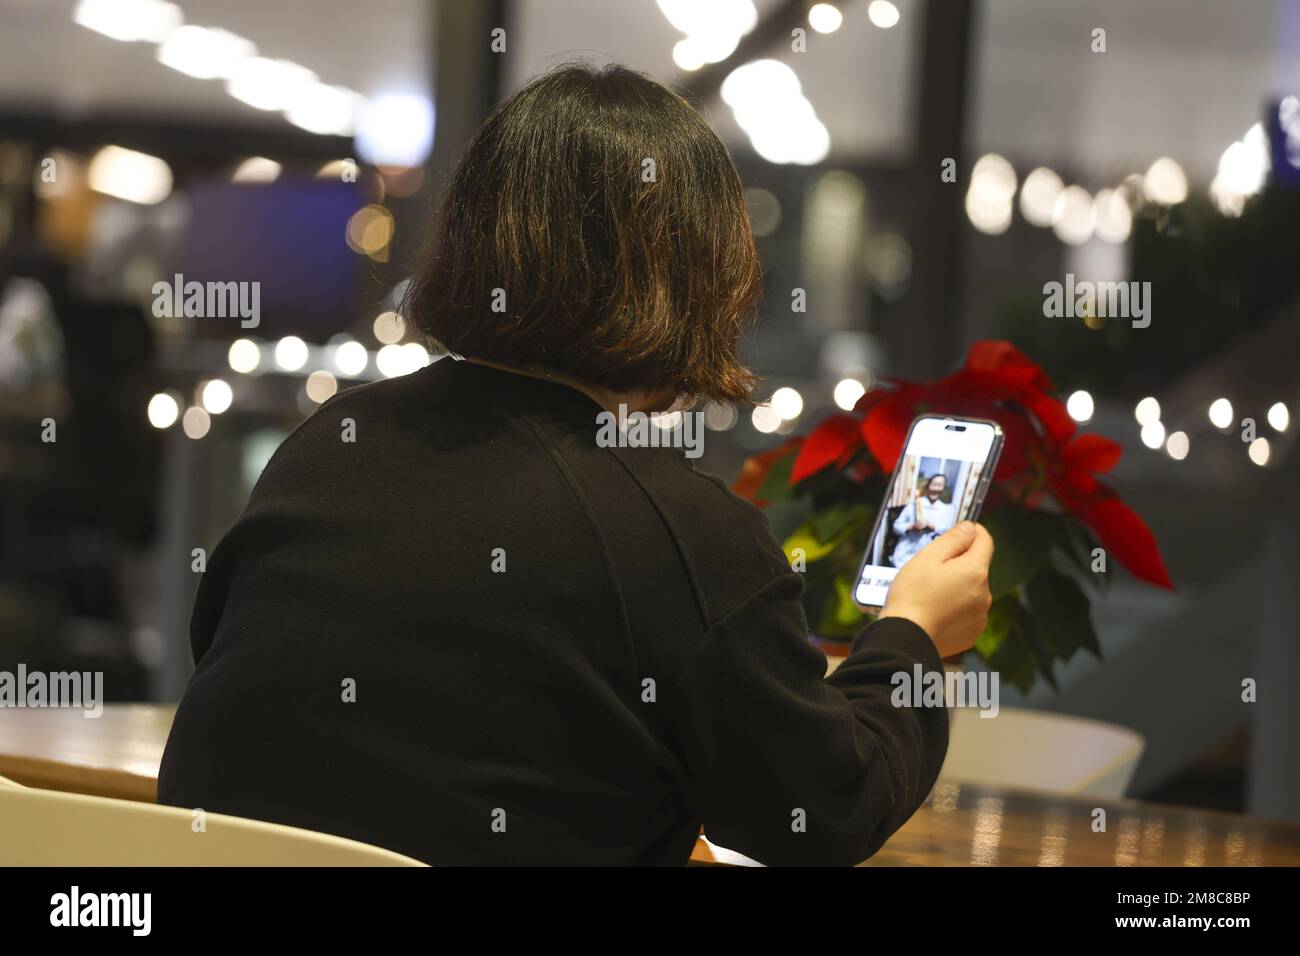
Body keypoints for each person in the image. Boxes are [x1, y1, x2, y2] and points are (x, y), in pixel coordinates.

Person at [157, 63, 994, 866]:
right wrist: (914, 633)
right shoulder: (679, 537)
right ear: (701, 275)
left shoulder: (329, 446)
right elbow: (824, 812)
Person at [891, 473, 958, 569]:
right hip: (905, 557)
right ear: (928, 486)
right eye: (934, 484)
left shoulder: (946, 509)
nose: (935, 489)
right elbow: (896, 527)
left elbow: (948, 531)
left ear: (943, 488)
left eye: (939, 485)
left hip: (930, 559)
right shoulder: (914, 505)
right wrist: (912, 527)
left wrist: (931, 526)